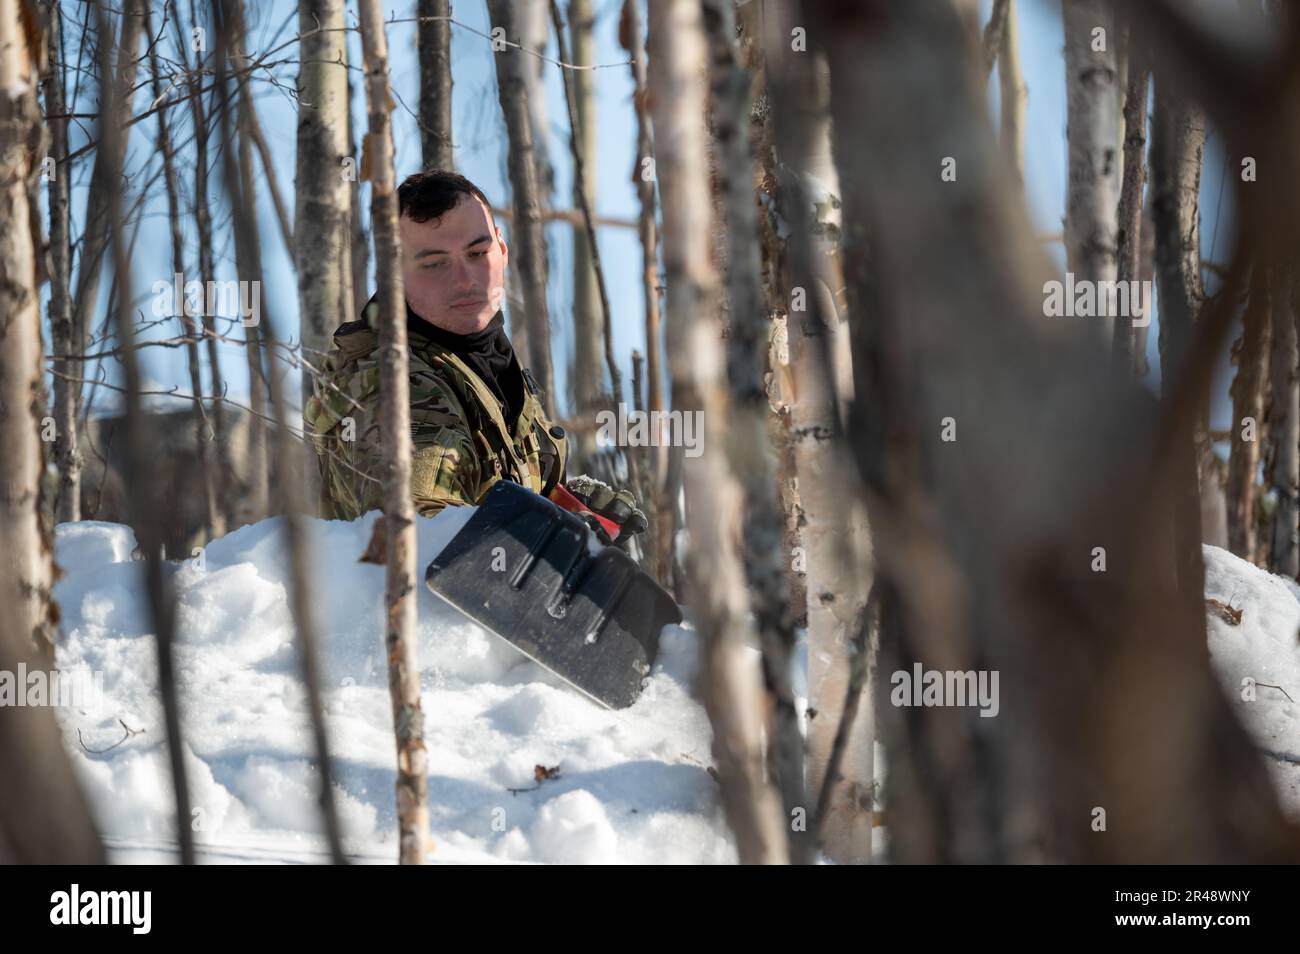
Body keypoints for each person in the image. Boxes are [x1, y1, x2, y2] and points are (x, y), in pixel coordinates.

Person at [304, 169, 645, 543]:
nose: (465, 279)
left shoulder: (484, 359)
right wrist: (551, 539)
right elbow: (427, 550)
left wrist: (564, 507)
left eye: (477, 253)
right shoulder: (397, 389)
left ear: (502, 249)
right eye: (434, 263)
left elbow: (486, 494)